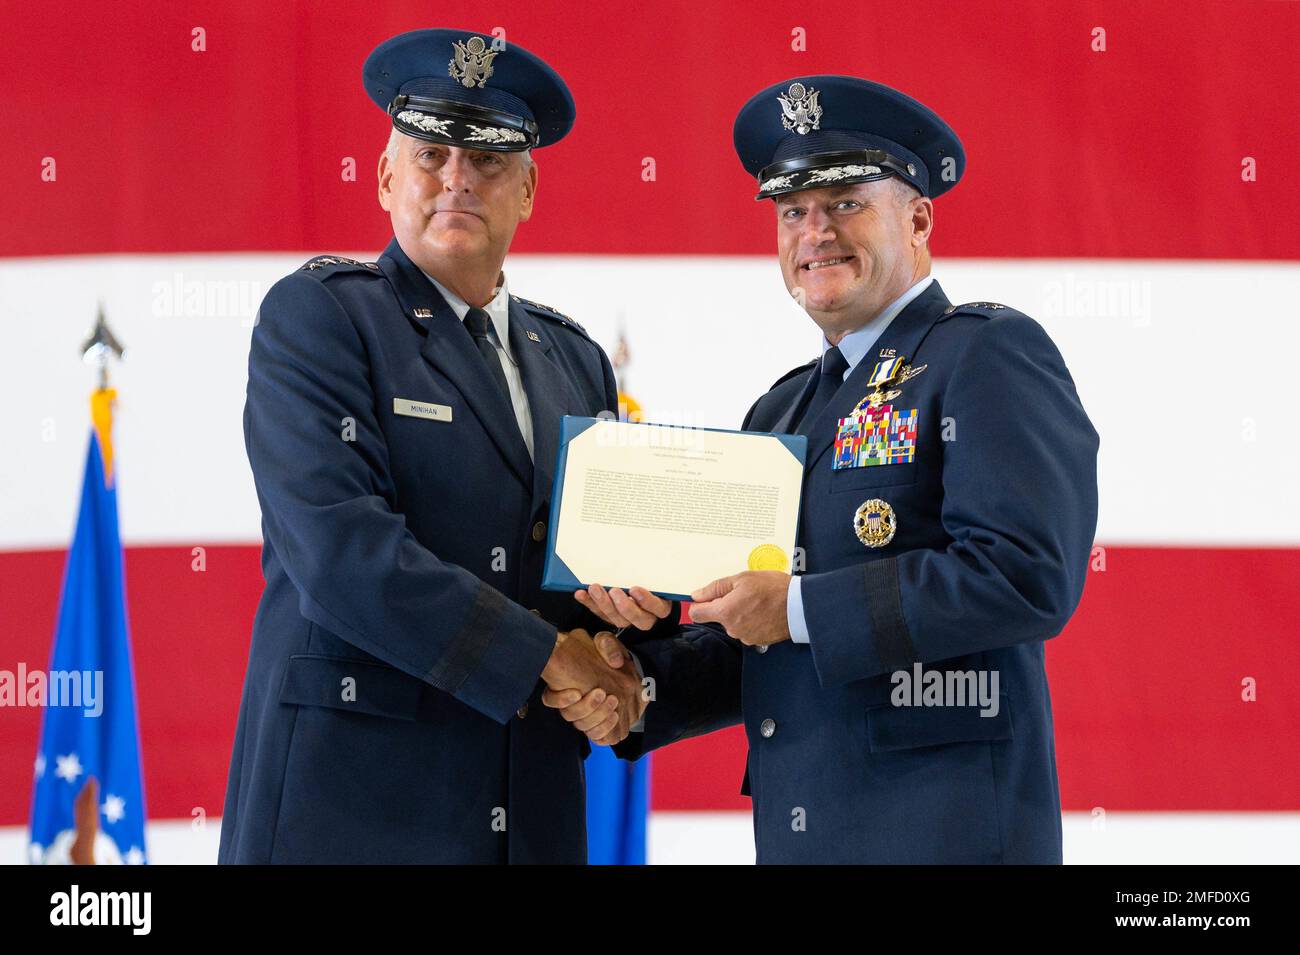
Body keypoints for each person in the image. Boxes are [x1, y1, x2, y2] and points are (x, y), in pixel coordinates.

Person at [549, 75, 1099, 864]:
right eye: (792, 211)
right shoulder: (778, 416)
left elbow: (1026, 574)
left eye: (845, 203)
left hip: (948, 835)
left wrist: (801, 606)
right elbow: (753, 632)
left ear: (917, 219)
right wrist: (638, 684)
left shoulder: (986, 354)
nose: (815, 232)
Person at [219, 28, 670, 865]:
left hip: (528, 812)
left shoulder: (578, 364)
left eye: (490, 160)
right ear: (388, 178)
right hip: (350, 812)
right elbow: (341, 552)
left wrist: (627, 652)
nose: (458, 178)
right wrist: (551, 656)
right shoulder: (320, 317)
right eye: (430, 154)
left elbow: (598, 572)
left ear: (528, 188)